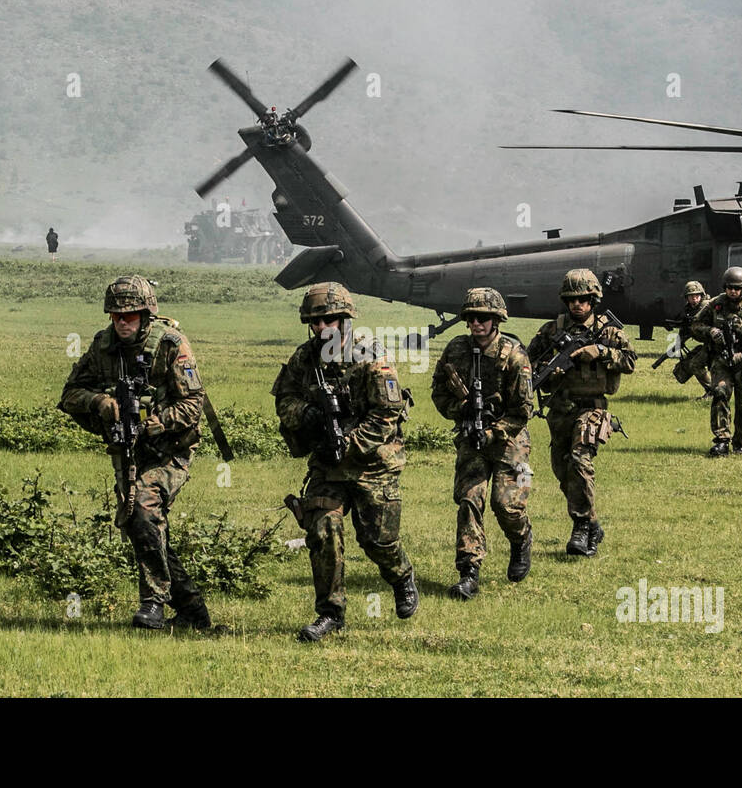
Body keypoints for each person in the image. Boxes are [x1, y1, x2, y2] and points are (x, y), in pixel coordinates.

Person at [58, 275, 213, 630]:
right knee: (140, 526)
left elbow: (194, 402)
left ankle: (153, 603)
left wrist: (159, 422)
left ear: (146, 314)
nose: (122, 323)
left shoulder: (171, 344)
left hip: (169, 450)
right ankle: (192, 610)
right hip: (126, 450)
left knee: (143, 509)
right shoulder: (102, 345)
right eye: (115, 316)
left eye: (129, 316)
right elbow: (69, 395)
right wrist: (100, 402)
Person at [272, 282, 418, 642]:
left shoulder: (371, 355)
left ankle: (401, 577)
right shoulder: (304, 359)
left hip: (373, 463)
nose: (322, 328)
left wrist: (351, 442)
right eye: (316, 322)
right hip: (328, 465)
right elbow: (284, 399)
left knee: (378, 542)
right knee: (323, 531)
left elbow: (387, 413)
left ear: (345, 320)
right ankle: (330, 613)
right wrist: (305, 414)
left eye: (329, 321)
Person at [430, 287, 535, 600]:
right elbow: (438, 393)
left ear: (496, 320)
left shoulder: (514, 356)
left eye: (484, 318)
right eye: (472, 317)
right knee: (469, 500)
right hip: (470, 436)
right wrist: (459, 410)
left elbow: (523, 411)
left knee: (507, 505)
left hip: (510, 439)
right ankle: (469, 572)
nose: (477, 323)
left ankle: (521, 541)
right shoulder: (456, 350)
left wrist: (493, 431)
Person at [527, 269, 636, 557]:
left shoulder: (608, 331)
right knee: (562, 471)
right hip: (560, 407)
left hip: (592, 408)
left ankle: (581, 528)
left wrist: (600, 351)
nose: (577, 305)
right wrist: (551, 369)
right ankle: (593, 522)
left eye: (584, 299)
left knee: (579, 461)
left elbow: (630, 361)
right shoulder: (552, 330)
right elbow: (528, 363)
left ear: (593, 299)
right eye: (572, 300)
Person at [689, 266, 742, 456]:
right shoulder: (715, 304)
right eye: (729, 287)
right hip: (722, 360)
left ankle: (741, 441)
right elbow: (695, 324)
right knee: (719, 393)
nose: (732, 291)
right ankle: (721, 440)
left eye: (736, 288)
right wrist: (710, 331)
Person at [669, 280, 714, 397]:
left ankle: (712, 392)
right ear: (686, 298)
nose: (694, 299)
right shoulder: (689, 309)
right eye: (691, 296)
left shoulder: (706, 307)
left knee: (696, 364)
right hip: (708, 344)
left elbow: (697, 324)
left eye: (697, 296)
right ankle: (712, 391)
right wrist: (680, 340)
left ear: (701, 295)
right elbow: (685, 326)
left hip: (716, 344)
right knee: (687, 364)